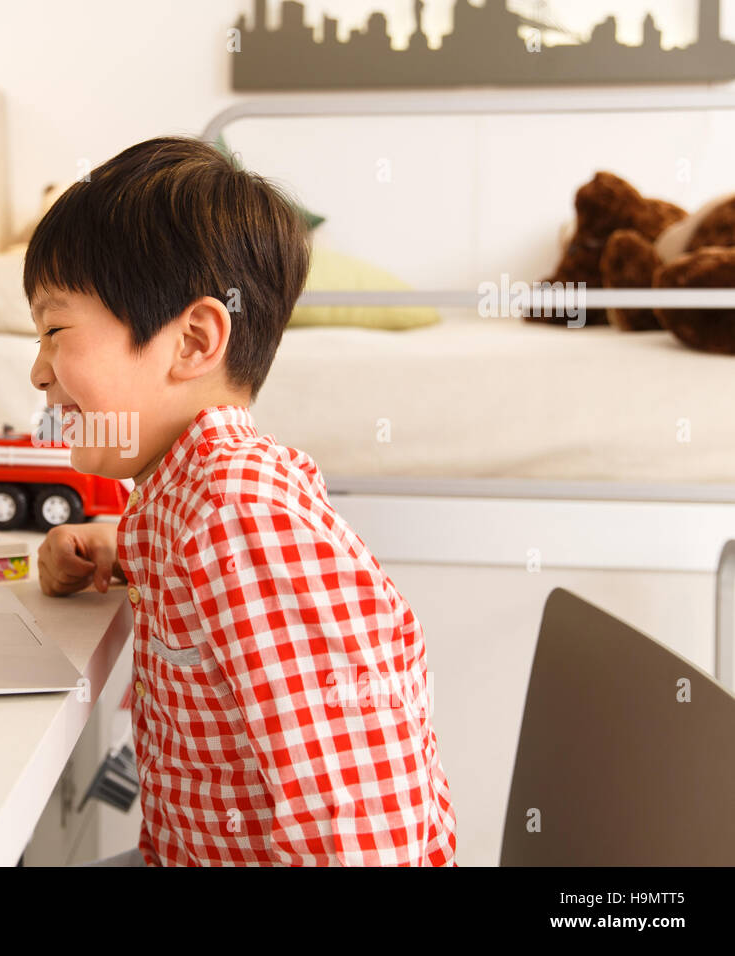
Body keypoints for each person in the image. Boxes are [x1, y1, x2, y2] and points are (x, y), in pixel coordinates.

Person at [30, 136, 456, 866]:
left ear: (194, 340)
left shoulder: (239, 515)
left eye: (55, 330)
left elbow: (356, 825)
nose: (38, 372)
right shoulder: (181, 494)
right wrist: (110, 546)